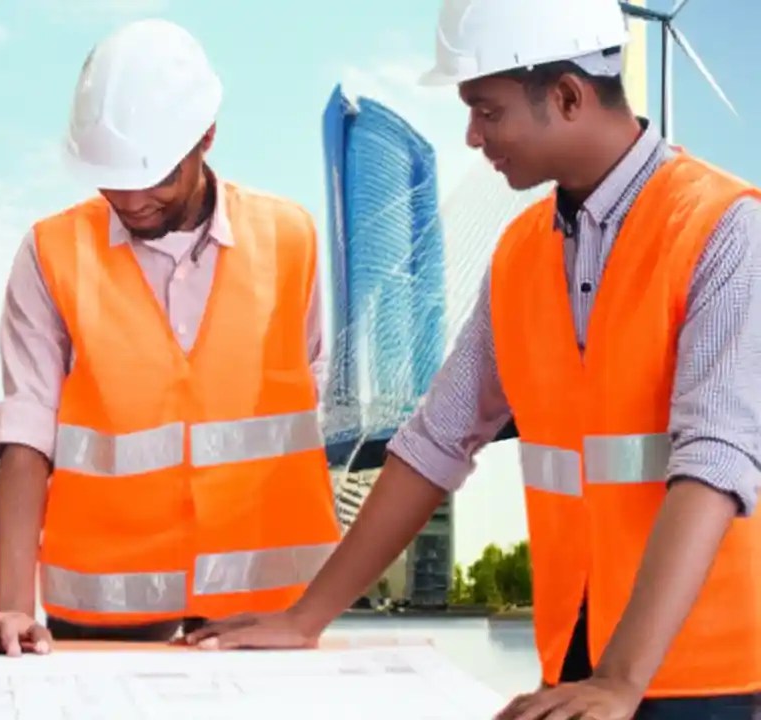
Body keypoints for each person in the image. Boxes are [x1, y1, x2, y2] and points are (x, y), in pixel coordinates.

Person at [187, 0, 761, 718]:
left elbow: (715, 460)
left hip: (695, 678)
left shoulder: (725, 228)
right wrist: (306, 618)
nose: (471, 136)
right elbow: (434, 441)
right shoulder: (521, 252)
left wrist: (619, 681)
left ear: (567, 96)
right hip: (573, 664)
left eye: (487, 112)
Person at [0, 18, 337, 655]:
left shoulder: (293, 239)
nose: (131, 198)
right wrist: (12, 608)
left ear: (207, 135)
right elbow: (26, 432)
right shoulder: (51, 253)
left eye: (154, 174)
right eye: (111, 175)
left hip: (269, 606)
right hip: (104, 604)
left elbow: (305, 397)